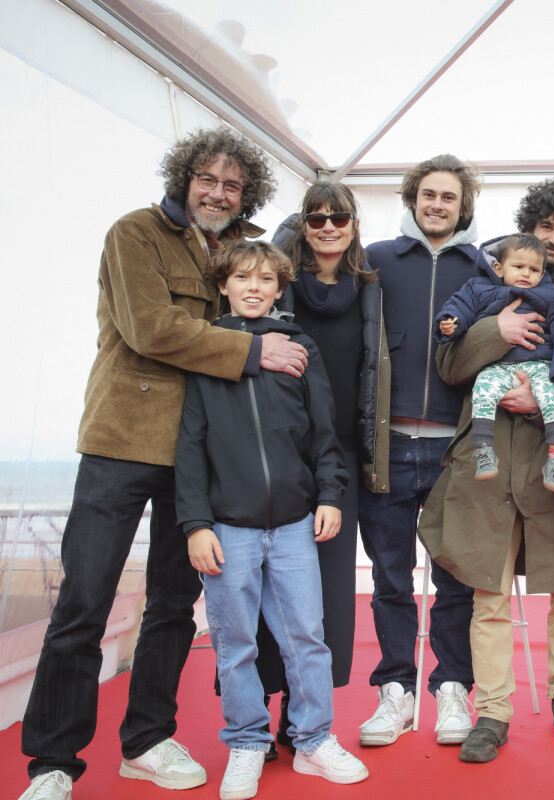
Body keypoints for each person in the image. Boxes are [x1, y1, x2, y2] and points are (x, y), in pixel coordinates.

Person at [19, 128, 309, 800]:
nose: (217, 192)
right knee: (83, 602)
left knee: (176, 604)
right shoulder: (134, 233)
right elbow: (151, 328)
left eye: (232, 185)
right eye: (207, 179)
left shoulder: (238, 251)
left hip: (198, 455)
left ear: (246, 195)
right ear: (184, 179)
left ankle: (147, 740)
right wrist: (253, 353)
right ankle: (53, 762)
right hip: (122, 440)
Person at [177, 240, 367, 798]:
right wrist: (196, 524)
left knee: (308, 637)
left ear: (279, 289)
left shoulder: (300, 347)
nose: (254, 287)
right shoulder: (206, 352)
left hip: (292, 526)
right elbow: (189, 447)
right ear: (224, 286)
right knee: (235, 642)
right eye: (242, 277)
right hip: (227, 527)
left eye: (265, 279)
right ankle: (245, 741)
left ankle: (312, 740)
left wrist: (330, 494)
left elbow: (323, 433)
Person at [418, 177, 554, 763]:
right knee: (487, 594)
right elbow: (447, 366)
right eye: (544, 228)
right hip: (486, 462)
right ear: (526, 232)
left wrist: (549, 402)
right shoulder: (485, 286)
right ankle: (492, 709)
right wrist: (498, 331)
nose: (553, 239)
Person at [247, 182, 388, 757]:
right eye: (316, 216)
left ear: (355, 224)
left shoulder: (371, 289)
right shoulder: (278, 288)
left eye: (340, 217)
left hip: (342, 460)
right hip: (276, 453)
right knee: (264, 585)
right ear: (300, 223)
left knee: (327, 592)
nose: (328, 226)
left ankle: (300, 714)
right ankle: (256, 708)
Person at [356, 154, 480, 747]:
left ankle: (453, 687)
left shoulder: (483, 271)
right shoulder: (375, 261)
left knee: (455, 579)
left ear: (463, 206)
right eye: (428, 194)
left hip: (456, 450)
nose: (437, 204)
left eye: (448, 197)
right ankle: (396, 691)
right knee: (390, 578)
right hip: (388, 449)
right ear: (412, 199)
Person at [435, 233, 554, 492]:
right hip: (497, 365)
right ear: (498, 268)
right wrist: (451, 322)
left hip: (538, 365)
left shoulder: (553, 295)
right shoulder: (478, 288)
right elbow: (461, 306)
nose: (526, 274)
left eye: (534, 269)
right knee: (482, 390)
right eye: (518, 267)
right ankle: (484, 452)